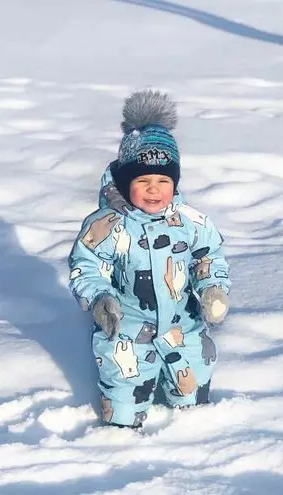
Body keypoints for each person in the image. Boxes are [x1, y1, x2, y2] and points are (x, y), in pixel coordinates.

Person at [68, 90, 231, 429]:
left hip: (182, 327)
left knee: (194, 394)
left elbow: (208, 255)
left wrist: (212, 288)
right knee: (123, 397)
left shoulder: (190, 222)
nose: (154, 190)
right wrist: (101, 299)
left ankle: (194, 434)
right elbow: (87, 266)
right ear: (127, 183)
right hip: (125, 328)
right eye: (143, 181)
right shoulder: (108, 225)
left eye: (163, 180)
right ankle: (121, 441)